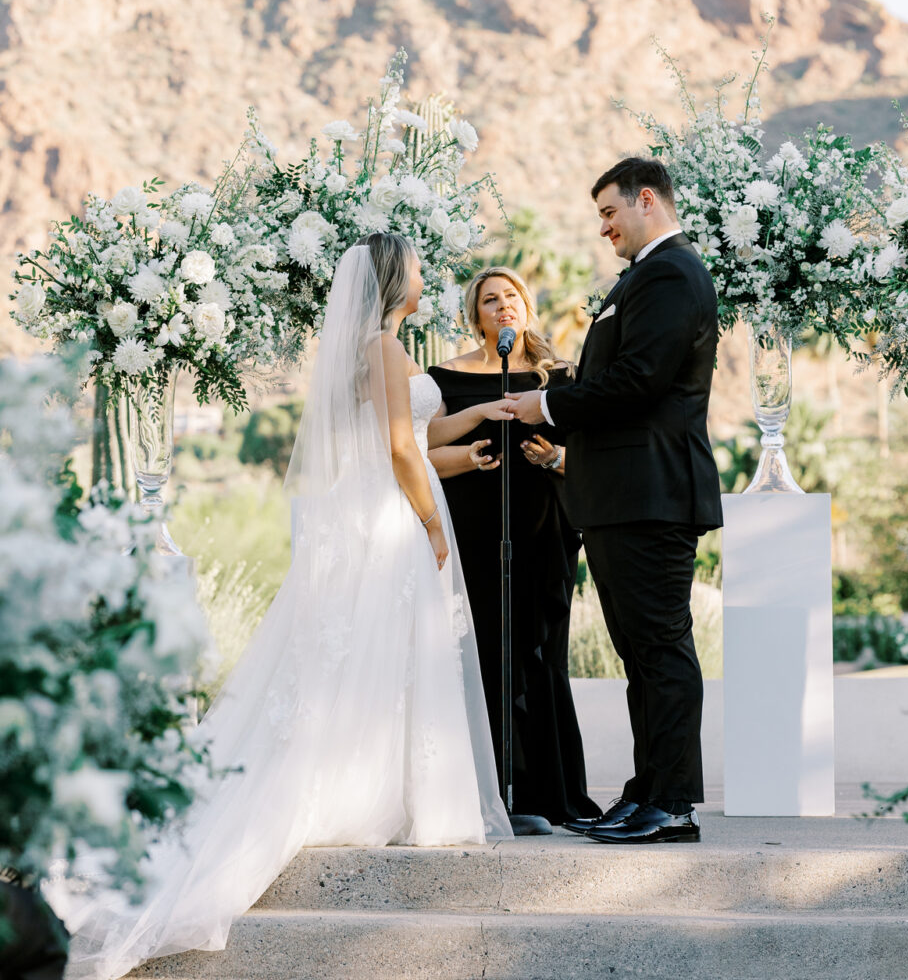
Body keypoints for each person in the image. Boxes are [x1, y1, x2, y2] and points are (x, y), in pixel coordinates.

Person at [60, 235, 509, 980]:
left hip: (367, 506)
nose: (427, 279)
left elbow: (411, 436)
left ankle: (378, 786)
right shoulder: (388, 348)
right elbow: (403, 450)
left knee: (367, 652)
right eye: (419, 269)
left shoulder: (371, 348)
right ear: (397, 279)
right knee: (395, 651)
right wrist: (433, 521)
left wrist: (474, 423)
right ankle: (388, 797)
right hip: (395, 513)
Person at [505, 158, 720, 844]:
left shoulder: (672, 274)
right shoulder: (643, 278)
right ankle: (647, 789)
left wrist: (543, 404)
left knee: (659, 649)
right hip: (623, 497)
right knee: (640, 655)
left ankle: (674, 802)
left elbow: (639, 381)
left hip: (651, 494)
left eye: (608, 213)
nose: (603, 228)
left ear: (645, 200)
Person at [428, 267, 599, 826]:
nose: (503, 306)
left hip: (543, 529)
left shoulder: (563, 377)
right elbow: (421, 443)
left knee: (538, 651)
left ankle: (549, 794)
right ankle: (487, 792)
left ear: (526, 307)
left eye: (511, 297)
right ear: (474, 316)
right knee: (476, 652)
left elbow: (593, 463)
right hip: (470, 531)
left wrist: (553, 458)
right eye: (489, 300)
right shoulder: (445, 378)